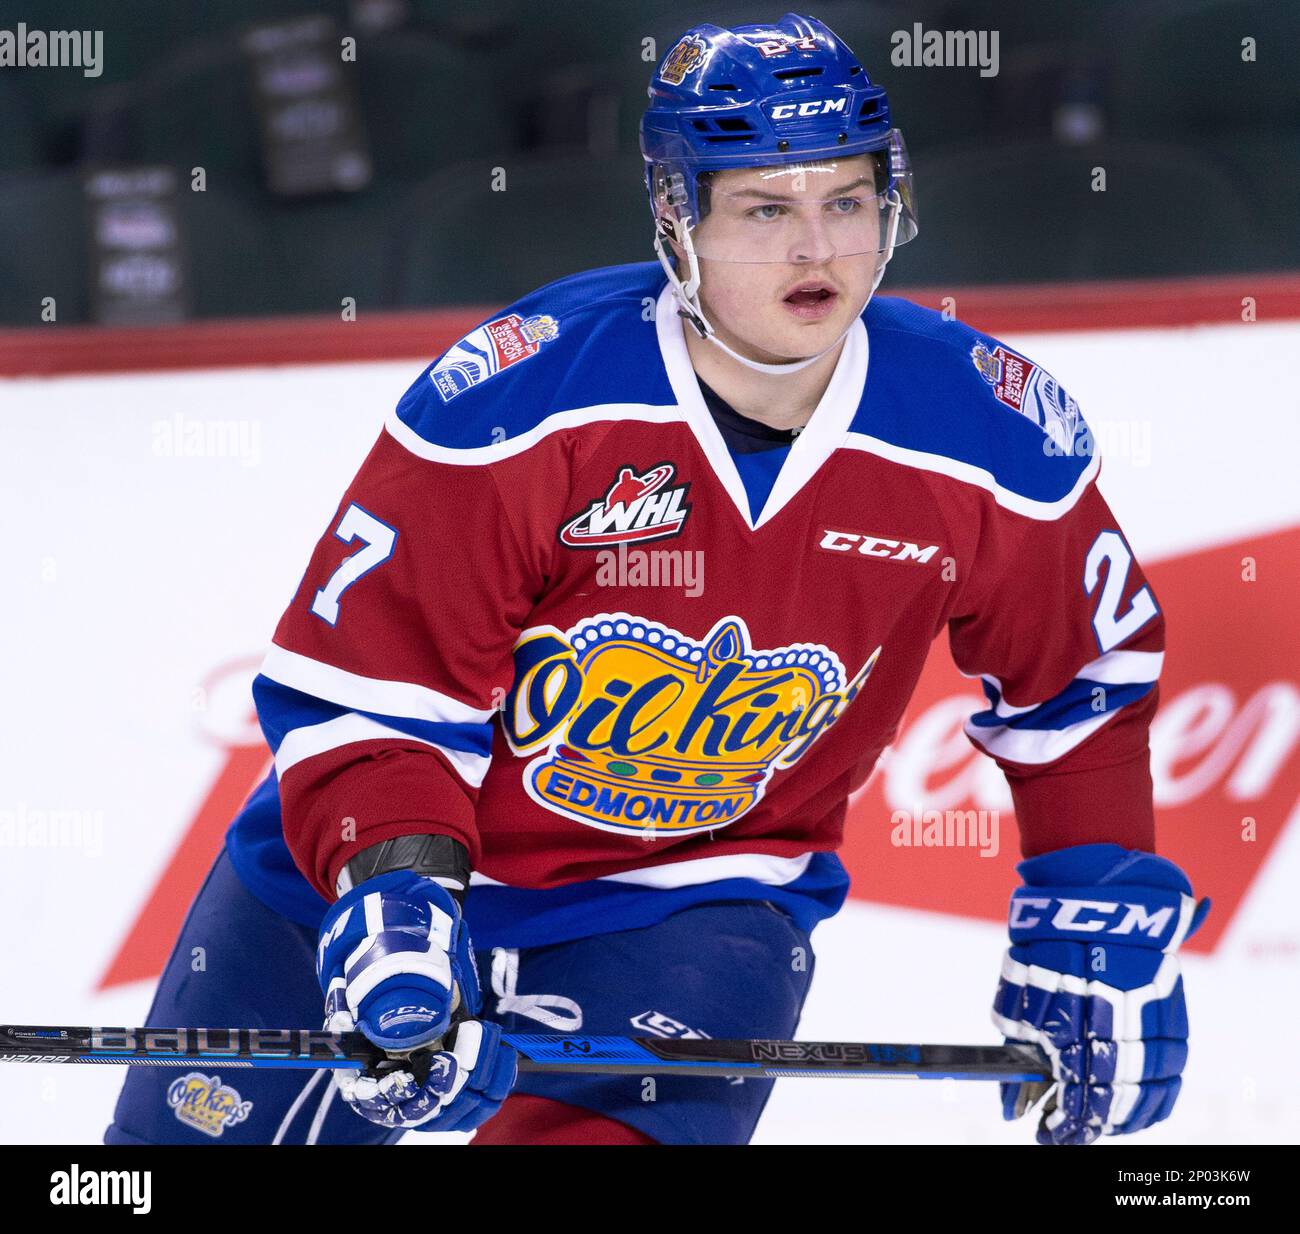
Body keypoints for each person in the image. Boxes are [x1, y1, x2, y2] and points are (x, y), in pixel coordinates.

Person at [106, 12, 1206, 1147]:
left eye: (846, 200)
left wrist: (1095, 919)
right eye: (765, 209)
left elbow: (1078, 685)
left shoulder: (989, 433)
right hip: (370, 873)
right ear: (677, 219)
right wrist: (395, 901)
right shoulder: (522, 400)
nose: (816, 250)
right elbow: (374, 694)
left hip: (696, 903)